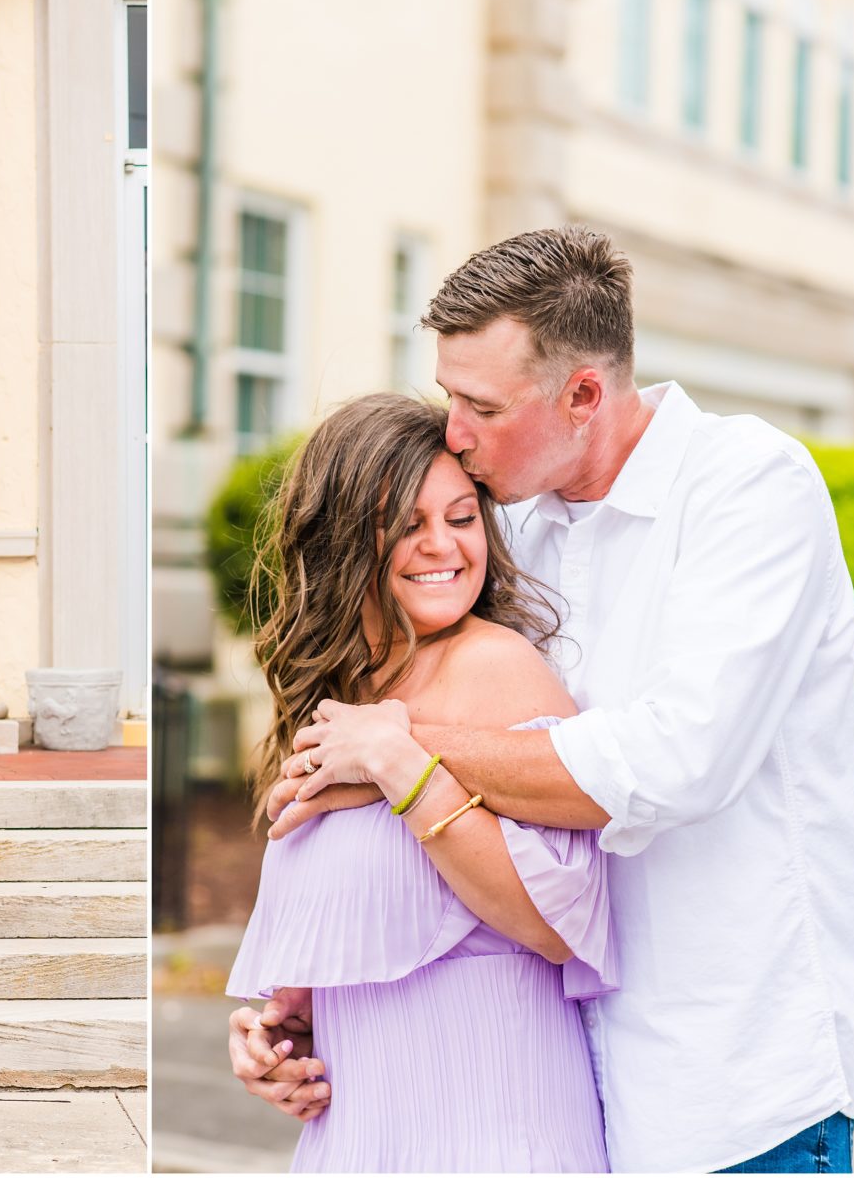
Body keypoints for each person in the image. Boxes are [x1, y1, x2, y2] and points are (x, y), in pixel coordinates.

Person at [236, 226, 854, 1173]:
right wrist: (309, 999)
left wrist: (397, 750)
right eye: (451, 393)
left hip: (734, 1096)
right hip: (566, 1084)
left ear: (583, 396)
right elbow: (469, 830)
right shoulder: (509, 525)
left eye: (479, 404)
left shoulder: (748, 487)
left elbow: (674, 763)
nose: (453, 429)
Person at [227, 392, 616, 1171]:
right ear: (342, 538)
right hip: (360, 1141)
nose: (442, 544)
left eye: (461, 516)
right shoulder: (344, 696)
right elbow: (370, 945)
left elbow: (555, 922)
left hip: (492, 1138)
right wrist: (281, 1033)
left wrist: (401, 764)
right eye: (404, 522)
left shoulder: (495, 667)